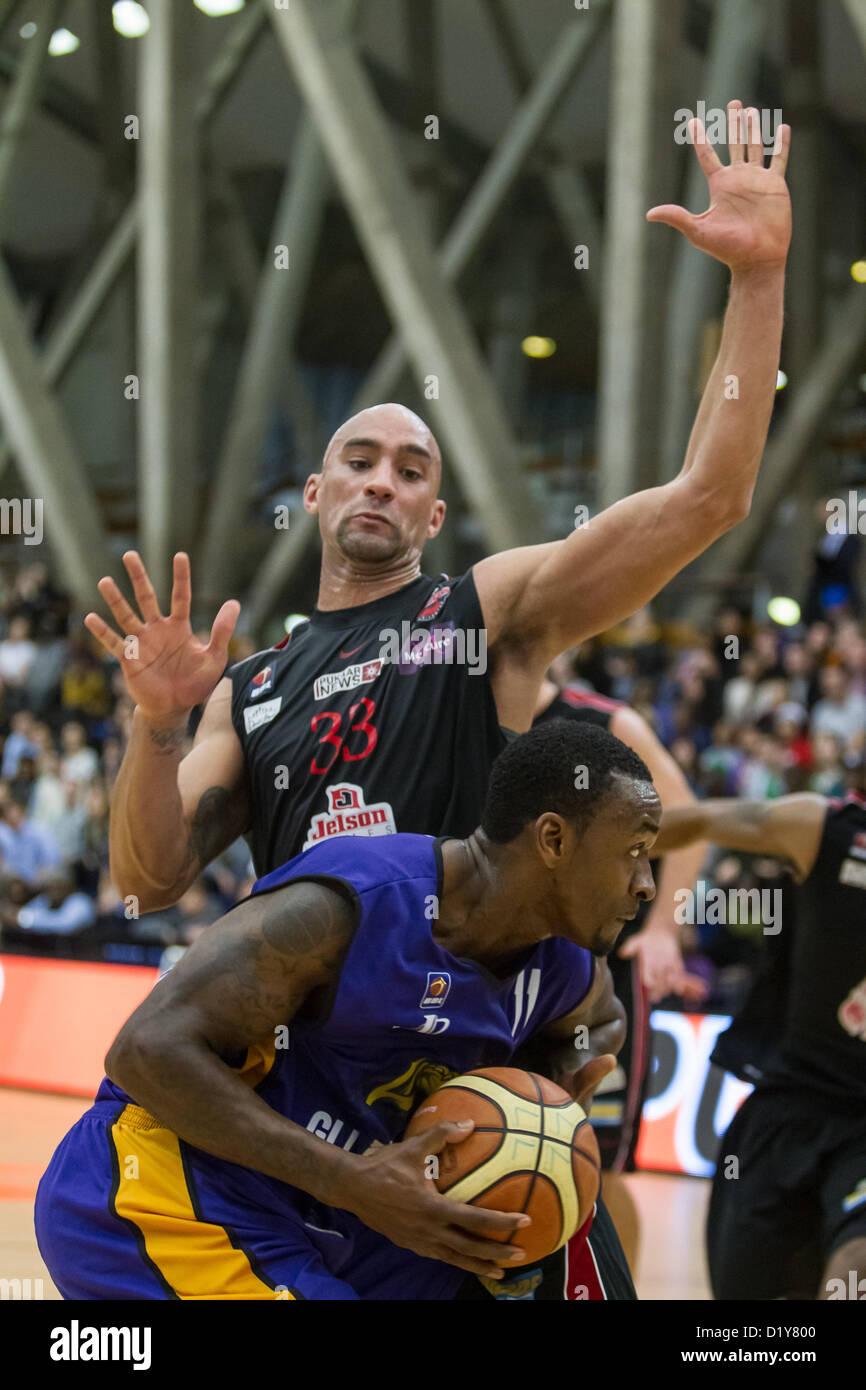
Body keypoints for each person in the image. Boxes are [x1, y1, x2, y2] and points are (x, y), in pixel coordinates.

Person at [83, 102, 791, 1301]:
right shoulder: (248, 688)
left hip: (482, 1078)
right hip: (321, 1109)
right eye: (360, 458)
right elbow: (145, 877)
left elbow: (703, 499)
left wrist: (758, 282)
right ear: (314, 491)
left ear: (432, 518)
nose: (382, 478)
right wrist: (156, 726)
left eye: (411, 470)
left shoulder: (481, 613)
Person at [35, 721, 658, 1301]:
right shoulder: (349, 907)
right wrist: (348, 1180)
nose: (647, 883)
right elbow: (145, 1050)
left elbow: (600, 1021)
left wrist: (550, 1080)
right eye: (633, 850)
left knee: (557, 1231)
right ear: (553, 839)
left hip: (348, 1217)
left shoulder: (564, 962)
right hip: (181, 1188)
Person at [653, 767, 866, 1300]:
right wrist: (599, 838)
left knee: (855, 1274)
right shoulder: (823, 827)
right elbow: (701, 818)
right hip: (788, 1107)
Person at [533, 673, 707, 1269]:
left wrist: (663, 929)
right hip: (501, 976)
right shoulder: (453, 715)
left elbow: (690, 823)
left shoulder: (606, 723)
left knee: (593, 1163)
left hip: (597, 982)